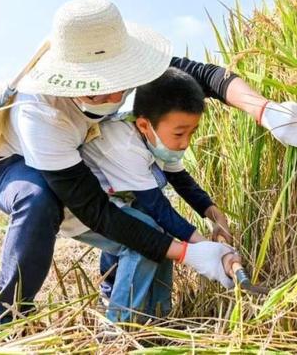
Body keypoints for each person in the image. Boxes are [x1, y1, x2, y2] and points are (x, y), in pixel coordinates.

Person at [0, 0, 297, 324]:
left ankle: (131, 305)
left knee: (136, 216)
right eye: (96, 89)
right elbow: (97, 212)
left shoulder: (129, 67)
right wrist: (191, 250)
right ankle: (10, 315)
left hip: (78, 154)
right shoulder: (42, 113)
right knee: (41, 201)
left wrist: (265, 110)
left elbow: (207, 77)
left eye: (117, 83)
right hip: (6, 159)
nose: (114, 96)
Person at [75, 68, 232, 312]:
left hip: (119, 202)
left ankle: (158, 316)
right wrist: (205, 248)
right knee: (147, 238)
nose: (186, 142)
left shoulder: (156, 138)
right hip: (84, 209)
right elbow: (158, 208)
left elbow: (181, 180)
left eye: (192, 132)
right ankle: (118, 327)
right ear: (144, 125)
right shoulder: (124, 145)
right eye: (180, 133)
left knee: (160, 238)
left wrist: (214, 214)